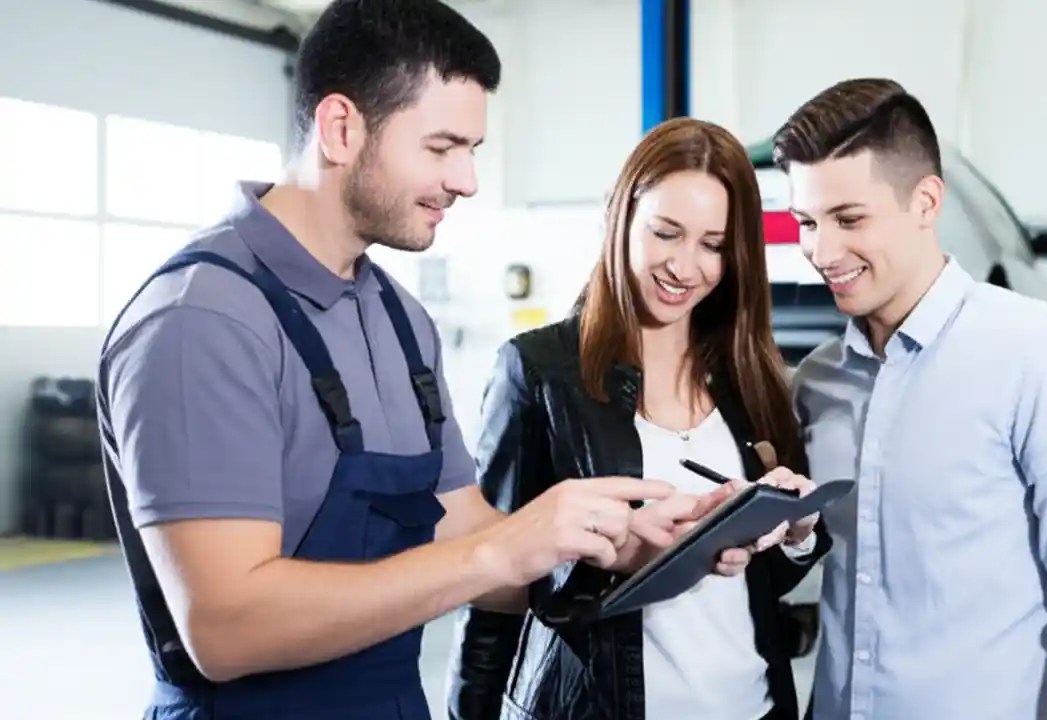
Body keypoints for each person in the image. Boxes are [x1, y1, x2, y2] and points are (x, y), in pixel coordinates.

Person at [95, 3, 690, 718]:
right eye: (442, 148)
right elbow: (224, 628)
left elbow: (462, 533)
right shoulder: (203, 321)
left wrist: (606, 549)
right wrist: (503, 551)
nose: (467, 179)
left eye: (472, 149)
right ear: (342, 128)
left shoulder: (401, 321)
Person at [774, 78, 1047, 720]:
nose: (822, 250)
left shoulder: (1044, 353)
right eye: (807, 222)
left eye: (849, 220)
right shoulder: (817, 382)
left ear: (926, 201)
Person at [444, 116, 832, 720]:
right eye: (666, 233)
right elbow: (488, 586)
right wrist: (609, 555)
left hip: (755, 707)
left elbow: (761, 584)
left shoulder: (751, 375)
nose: (685, 266)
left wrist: (795, 531)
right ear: (620, 217)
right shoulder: (540, 371)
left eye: (711, 245)